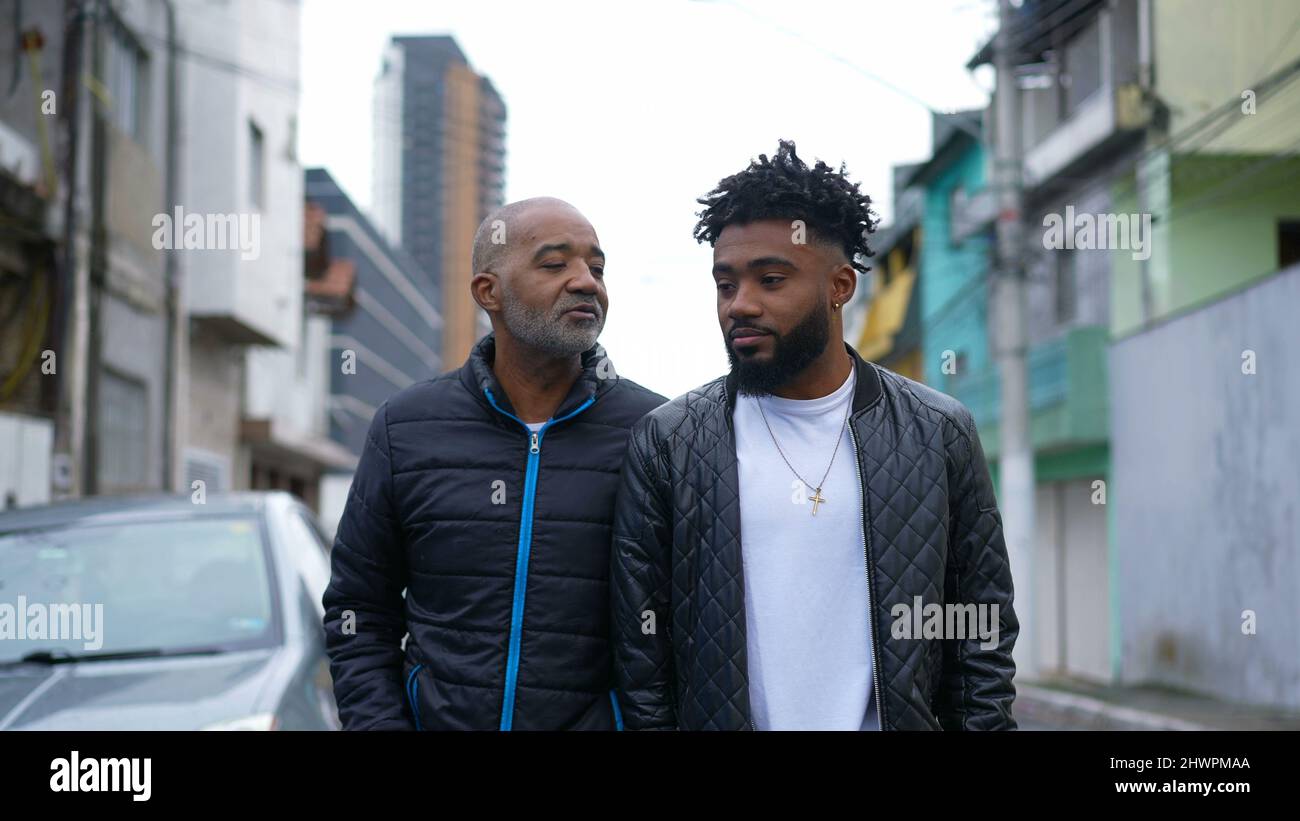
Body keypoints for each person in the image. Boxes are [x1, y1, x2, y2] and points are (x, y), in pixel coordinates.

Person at [610, 142, 1018, 730]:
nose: (740, 305)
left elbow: (981, 627)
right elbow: (642, 656)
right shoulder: (671, 441)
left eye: (770, 280)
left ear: (840, 286)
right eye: (725, 285)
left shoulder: (938, 432)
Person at [324, 197, 665, 730]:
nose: (585, 282)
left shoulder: (655, 431)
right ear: (489, 292)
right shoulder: (406, 428)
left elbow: (678, 625)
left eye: (596, 268)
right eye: (555, 264)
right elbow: (358, 610)